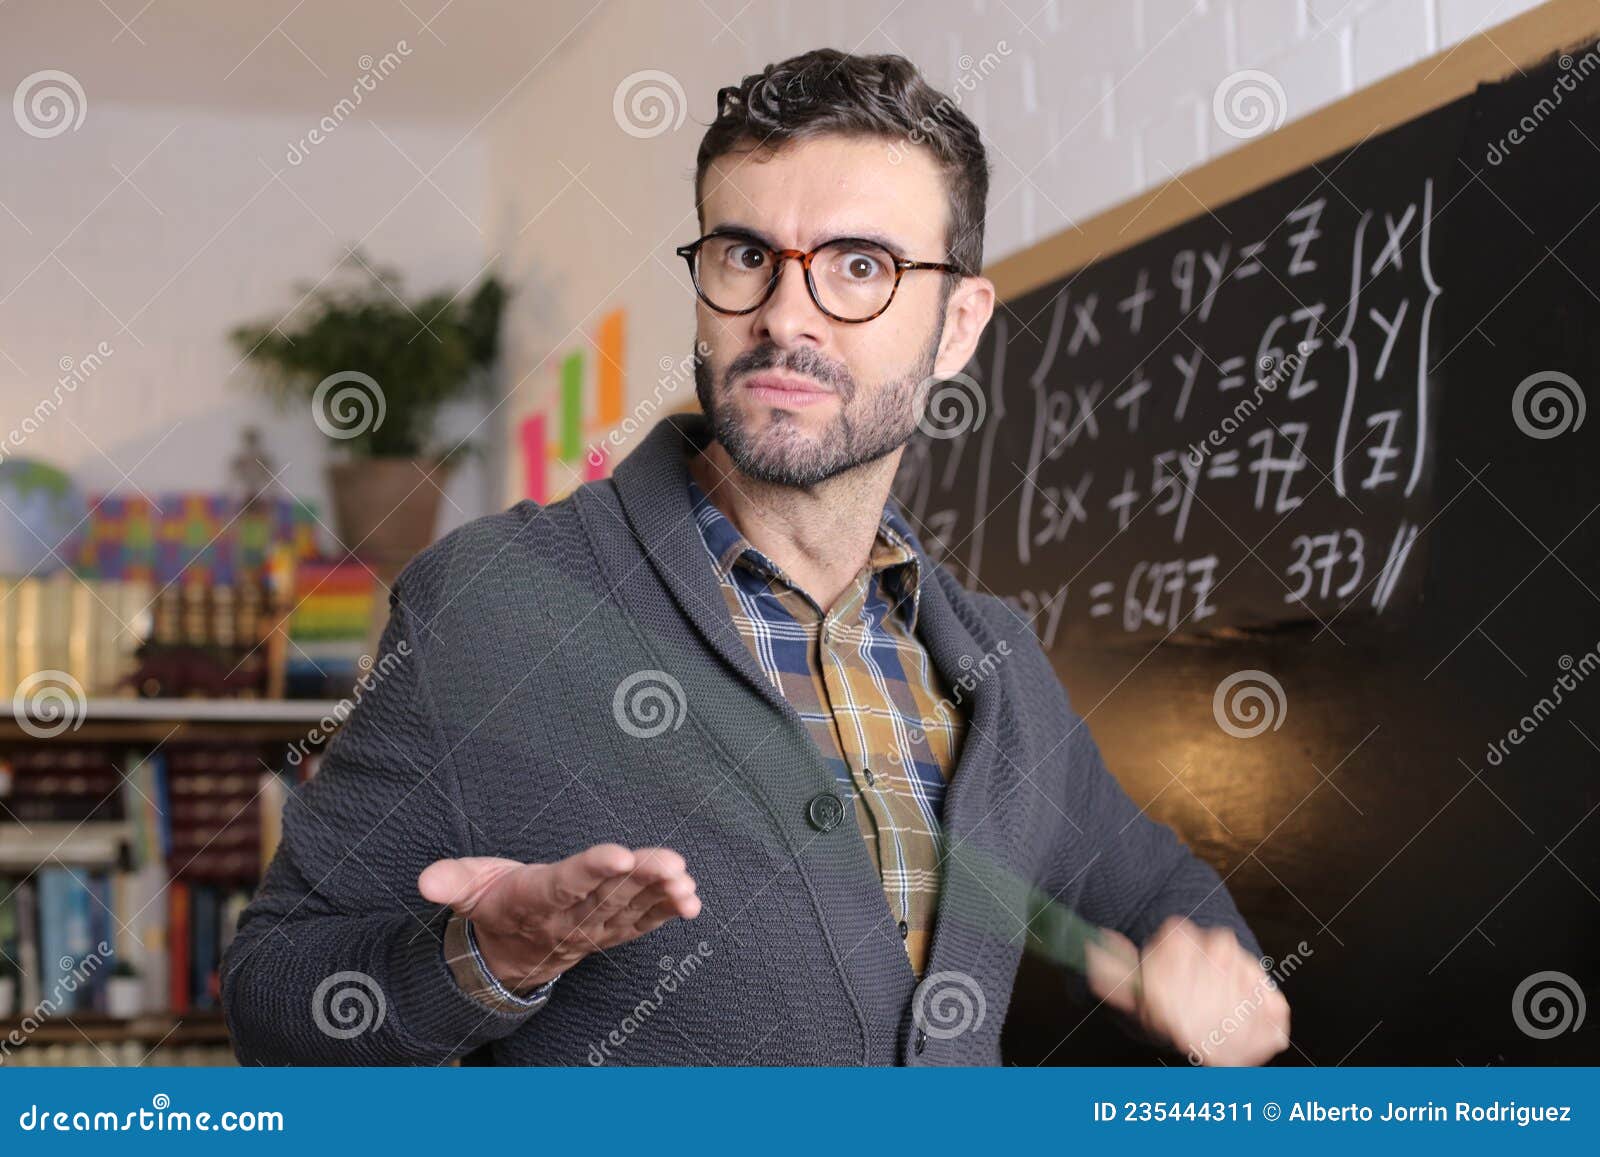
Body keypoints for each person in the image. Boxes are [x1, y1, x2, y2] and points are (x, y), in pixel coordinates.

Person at [222, 48, 1288, 1067]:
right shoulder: (494, 608)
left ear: (957, 326)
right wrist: (489, 957)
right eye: (744, 255)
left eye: (859, 266)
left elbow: (1161, 894)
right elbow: (277, 1000)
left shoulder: (995, 664)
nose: (785, 315)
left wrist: (1222, 986)